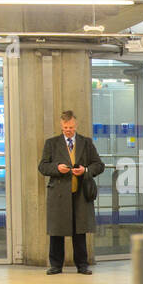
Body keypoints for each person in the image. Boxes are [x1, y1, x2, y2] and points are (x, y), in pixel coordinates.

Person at [38, 110, 104, 275]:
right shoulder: (51, 143)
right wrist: (57, 168)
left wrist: (86, 170)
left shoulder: (86, 143)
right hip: (59, 194)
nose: (69, 130)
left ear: (76, 125)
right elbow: (43, 166)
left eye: (71, 127)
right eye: (66, 127)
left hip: (80, 193)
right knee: (57, 231)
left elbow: (99, 165)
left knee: (79, 231)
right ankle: (56, 265)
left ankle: (82, 265)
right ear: (61, 126)